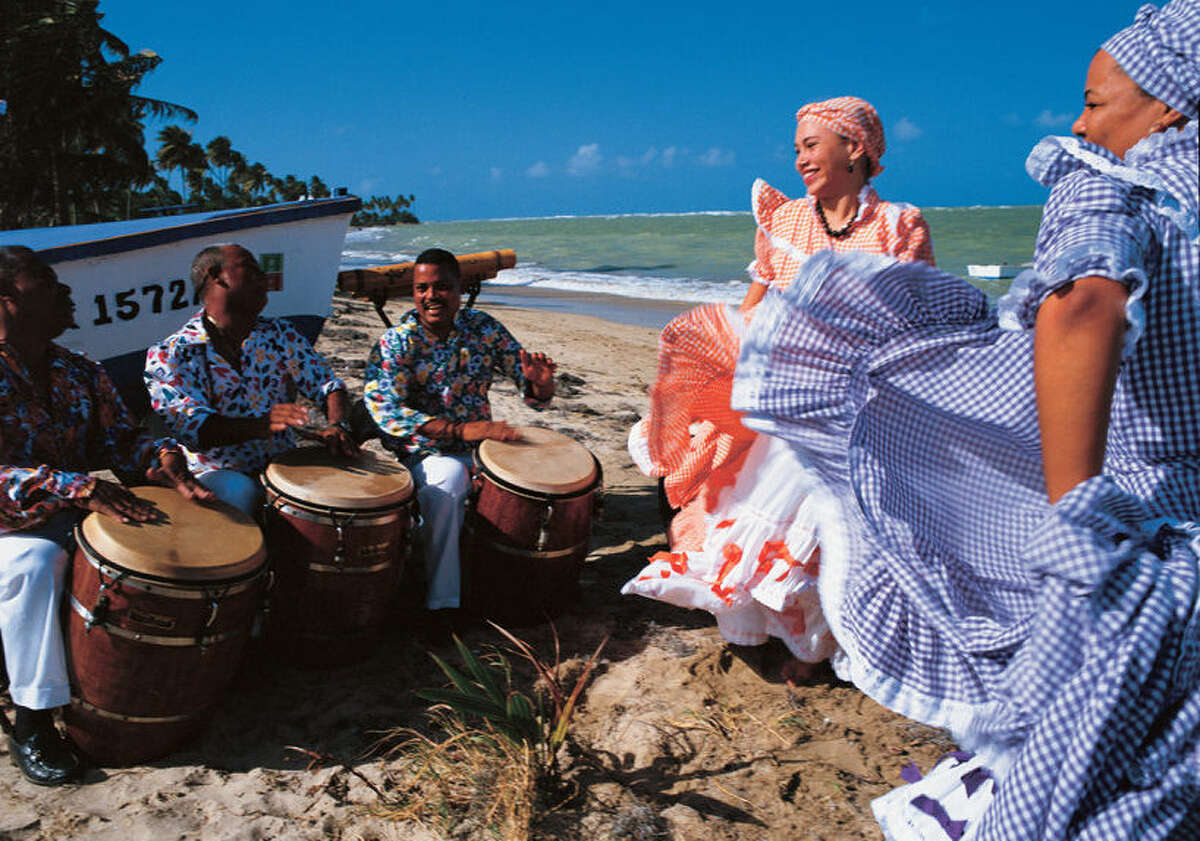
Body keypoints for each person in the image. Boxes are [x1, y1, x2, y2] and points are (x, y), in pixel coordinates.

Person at [732, 1, 1199, 837]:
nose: (1077, 123)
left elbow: (1079, 306)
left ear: (1167, 105)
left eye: (1094, 102)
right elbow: (762, 294)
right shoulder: (787, 219)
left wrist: (1076, 515)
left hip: (1146, 517)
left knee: (1078, 768)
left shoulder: (1108, 184)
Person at [622, 96, 934, 665]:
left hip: (857, 400)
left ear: (854, 148)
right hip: (779, 388)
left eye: (811, 146)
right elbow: (754, 303)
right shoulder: (785, 220)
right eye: (796, 150)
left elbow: (916, 323)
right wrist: (723, 362)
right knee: (743, 500)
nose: (800, 161)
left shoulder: (898, 225)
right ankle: (762, 630)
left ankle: (813, 643)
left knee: (827, 519)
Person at [0, 246, 213, 785]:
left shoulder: (79, 371)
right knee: (34, 563)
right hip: (11, 525)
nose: (64, 291)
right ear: (4, 301)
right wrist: (78, 488)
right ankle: (32, 718)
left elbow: (122, 440)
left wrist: (161, 459)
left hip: (73, 509)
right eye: (45, 281)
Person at [362, 248, 556, 622]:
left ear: (460, 288)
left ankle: (519, 586)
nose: (431, 296)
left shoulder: (483, 328)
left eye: (442, 287)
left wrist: (541, 384)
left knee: (540, 480)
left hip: (483, 449)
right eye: (422, 288)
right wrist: (460, 430)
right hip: (426, 452)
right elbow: (385, 407)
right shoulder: (397, 341)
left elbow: (529, 388)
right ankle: (443, 604)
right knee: (448, 482)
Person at [145, 244, 357, 515]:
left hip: (283, 466)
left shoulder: (280, 333)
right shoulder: (172, 353)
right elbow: (196, 430)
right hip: (218, 474)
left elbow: (327, 385)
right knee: (237, 491)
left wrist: (338, 425)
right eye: (251, 269)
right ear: (215, 276)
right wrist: (263, 425)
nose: (264, 278)